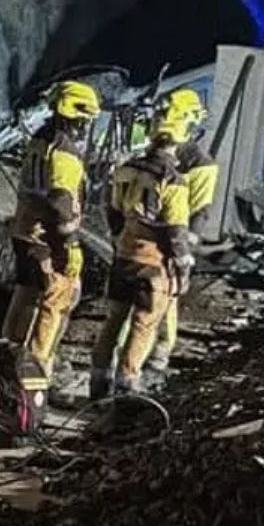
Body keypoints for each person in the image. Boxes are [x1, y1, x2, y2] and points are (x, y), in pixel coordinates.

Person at [1, 80, 98, 408]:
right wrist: (69, 246)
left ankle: (4, 367)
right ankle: (35, 381)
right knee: (53, 305)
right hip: (48, 241)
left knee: (23, 298)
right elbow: (60, 203)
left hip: (24, 233)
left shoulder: (39, 140)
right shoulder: (65, 152)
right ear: (77, 116)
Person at [90, 125, 193, 399]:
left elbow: (112, 211)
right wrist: (183, 267)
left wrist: (119, 238)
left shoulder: (126, 168)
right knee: (144, 324)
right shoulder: (174, 181)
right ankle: (126, 387)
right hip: (154, 265)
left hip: (124, 256)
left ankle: (98, 385)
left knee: (113, 320)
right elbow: (176, 231)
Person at [145, 88, 219, 380]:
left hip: (171, 241)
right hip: (146, 239)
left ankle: (158, 360)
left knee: (165, 302)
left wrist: (182, 254)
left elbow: (199, 211)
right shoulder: (159, 155)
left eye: (164, 116)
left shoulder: (200, 164)